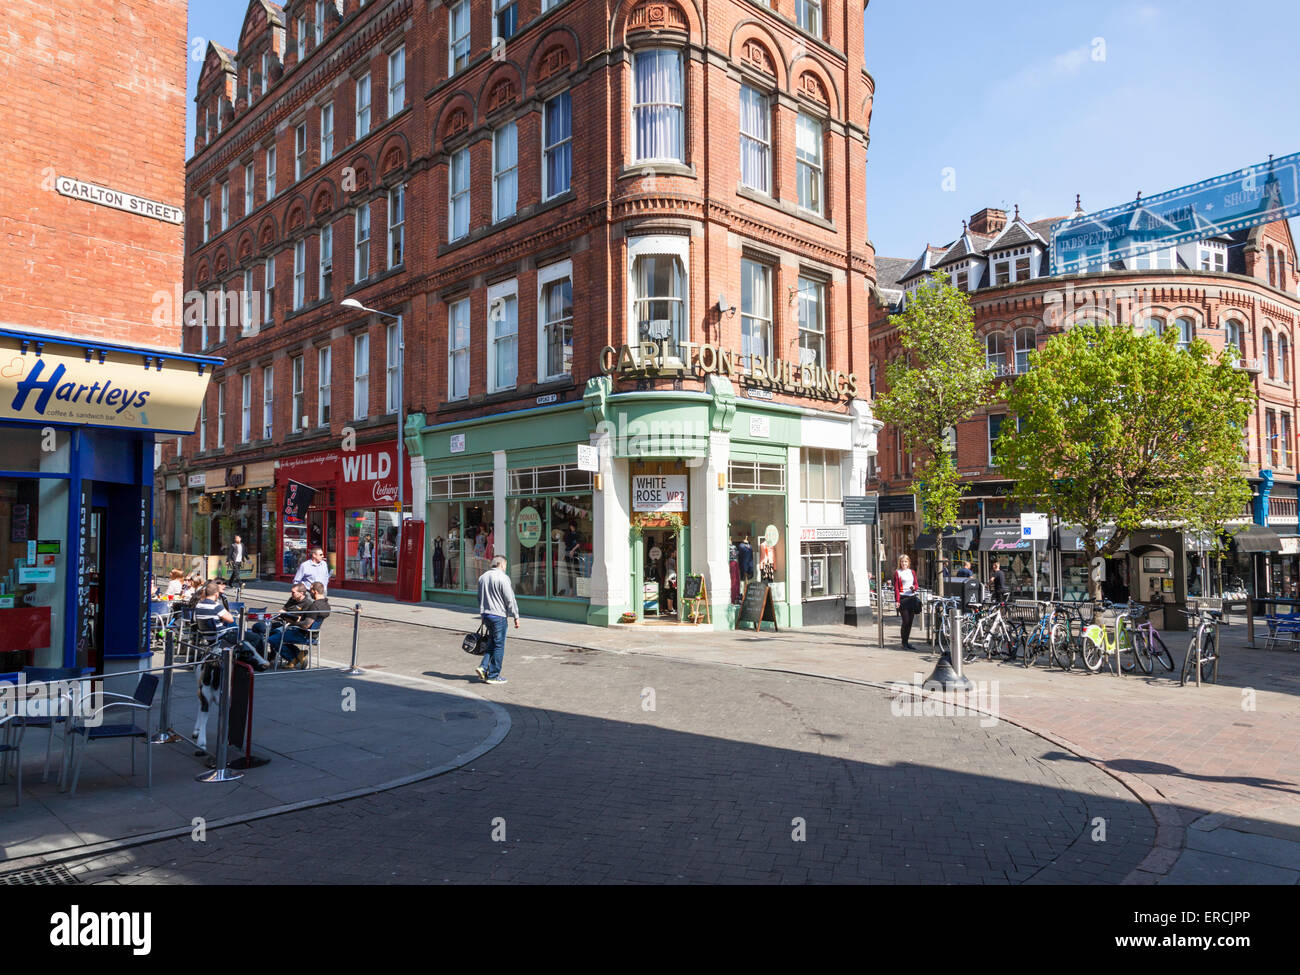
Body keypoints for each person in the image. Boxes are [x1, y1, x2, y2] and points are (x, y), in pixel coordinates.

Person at [475, 554, 520, 685]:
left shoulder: (482, 577)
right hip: (499, 616)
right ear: (501, 564)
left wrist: (482, 614)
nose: (505, 568)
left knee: (492, 643)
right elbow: (509, 599)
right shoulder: (503, 578)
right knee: (499, 645)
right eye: (505, 565)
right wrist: (515, 616)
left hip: (486, 614)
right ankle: (493, 675)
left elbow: (479, 597)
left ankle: (483, 668)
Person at [271, 581, 330, 668]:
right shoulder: (326, 605)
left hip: (304, 634)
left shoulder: (314, 606)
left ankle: (292, 658)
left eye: (310, 590)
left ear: (315, 591)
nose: (309, 593)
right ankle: (299, 654)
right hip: (314, 634)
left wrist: (292, 622)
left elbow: (306, 625)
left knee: (273, 639)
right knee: (280, 635)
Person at [894, 555, 922, 650]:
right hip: (903, 598)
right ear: (900, 563)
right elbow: (896, 588)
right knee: (905, 621)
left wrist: (914, 588)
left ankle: (906, 642)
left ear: (908, 562)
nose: (904, 563)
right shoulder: (897, 573)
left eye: (905, 561)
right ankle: (903, 642)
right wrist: (897, 601)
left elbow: (916, 584)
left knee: (910, 622)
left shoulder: (912, 572)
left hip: (912, 598)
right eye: (902, 562)